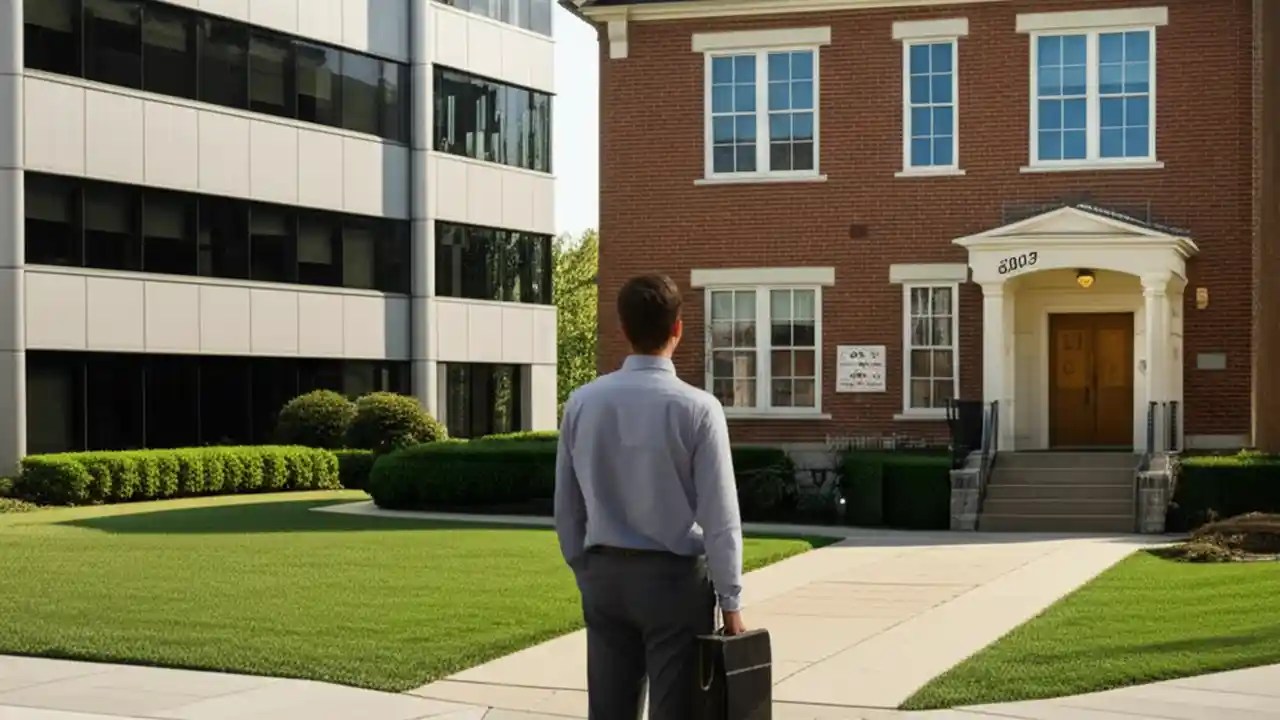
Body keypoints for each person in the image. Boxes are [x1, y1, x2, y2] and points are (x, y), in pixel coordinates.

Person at [555, 274, 745, 719]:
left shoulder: (582, 402)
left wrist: (583, 566)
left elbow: (567, 505)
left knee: (609, 709)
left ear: (623, 329)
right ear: (678, 327)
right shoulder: (698, 408)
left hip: (603, 574)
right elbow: (720, 516)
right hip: (674, 582)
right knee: (674, 709)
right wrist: (732, 602)